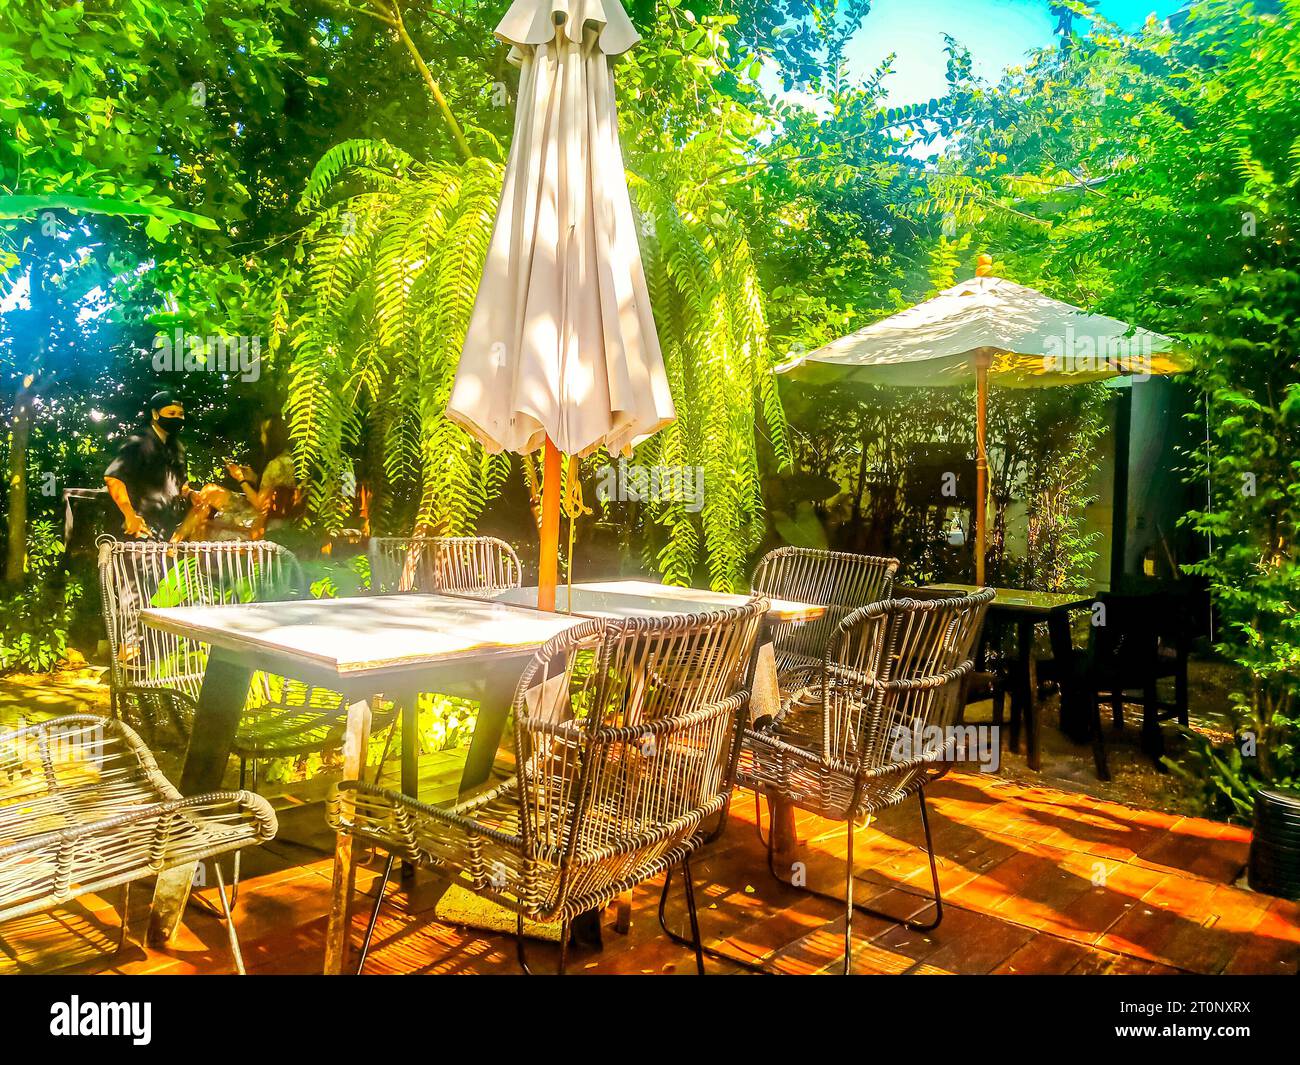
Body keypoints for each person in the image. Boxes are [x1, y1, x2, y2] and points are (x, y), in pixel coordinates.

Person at [104, 390, 219, 539]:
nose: (177, 418)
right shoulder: (138, 442)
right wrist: (130, 515)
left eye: (180, 414)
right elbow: (113, 478)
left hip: (167, 532)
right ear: (155, 414)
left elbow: (181, 485)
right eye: (171, 413)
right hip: (137, 531)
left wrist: (190, 494)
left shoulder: (177, 448)